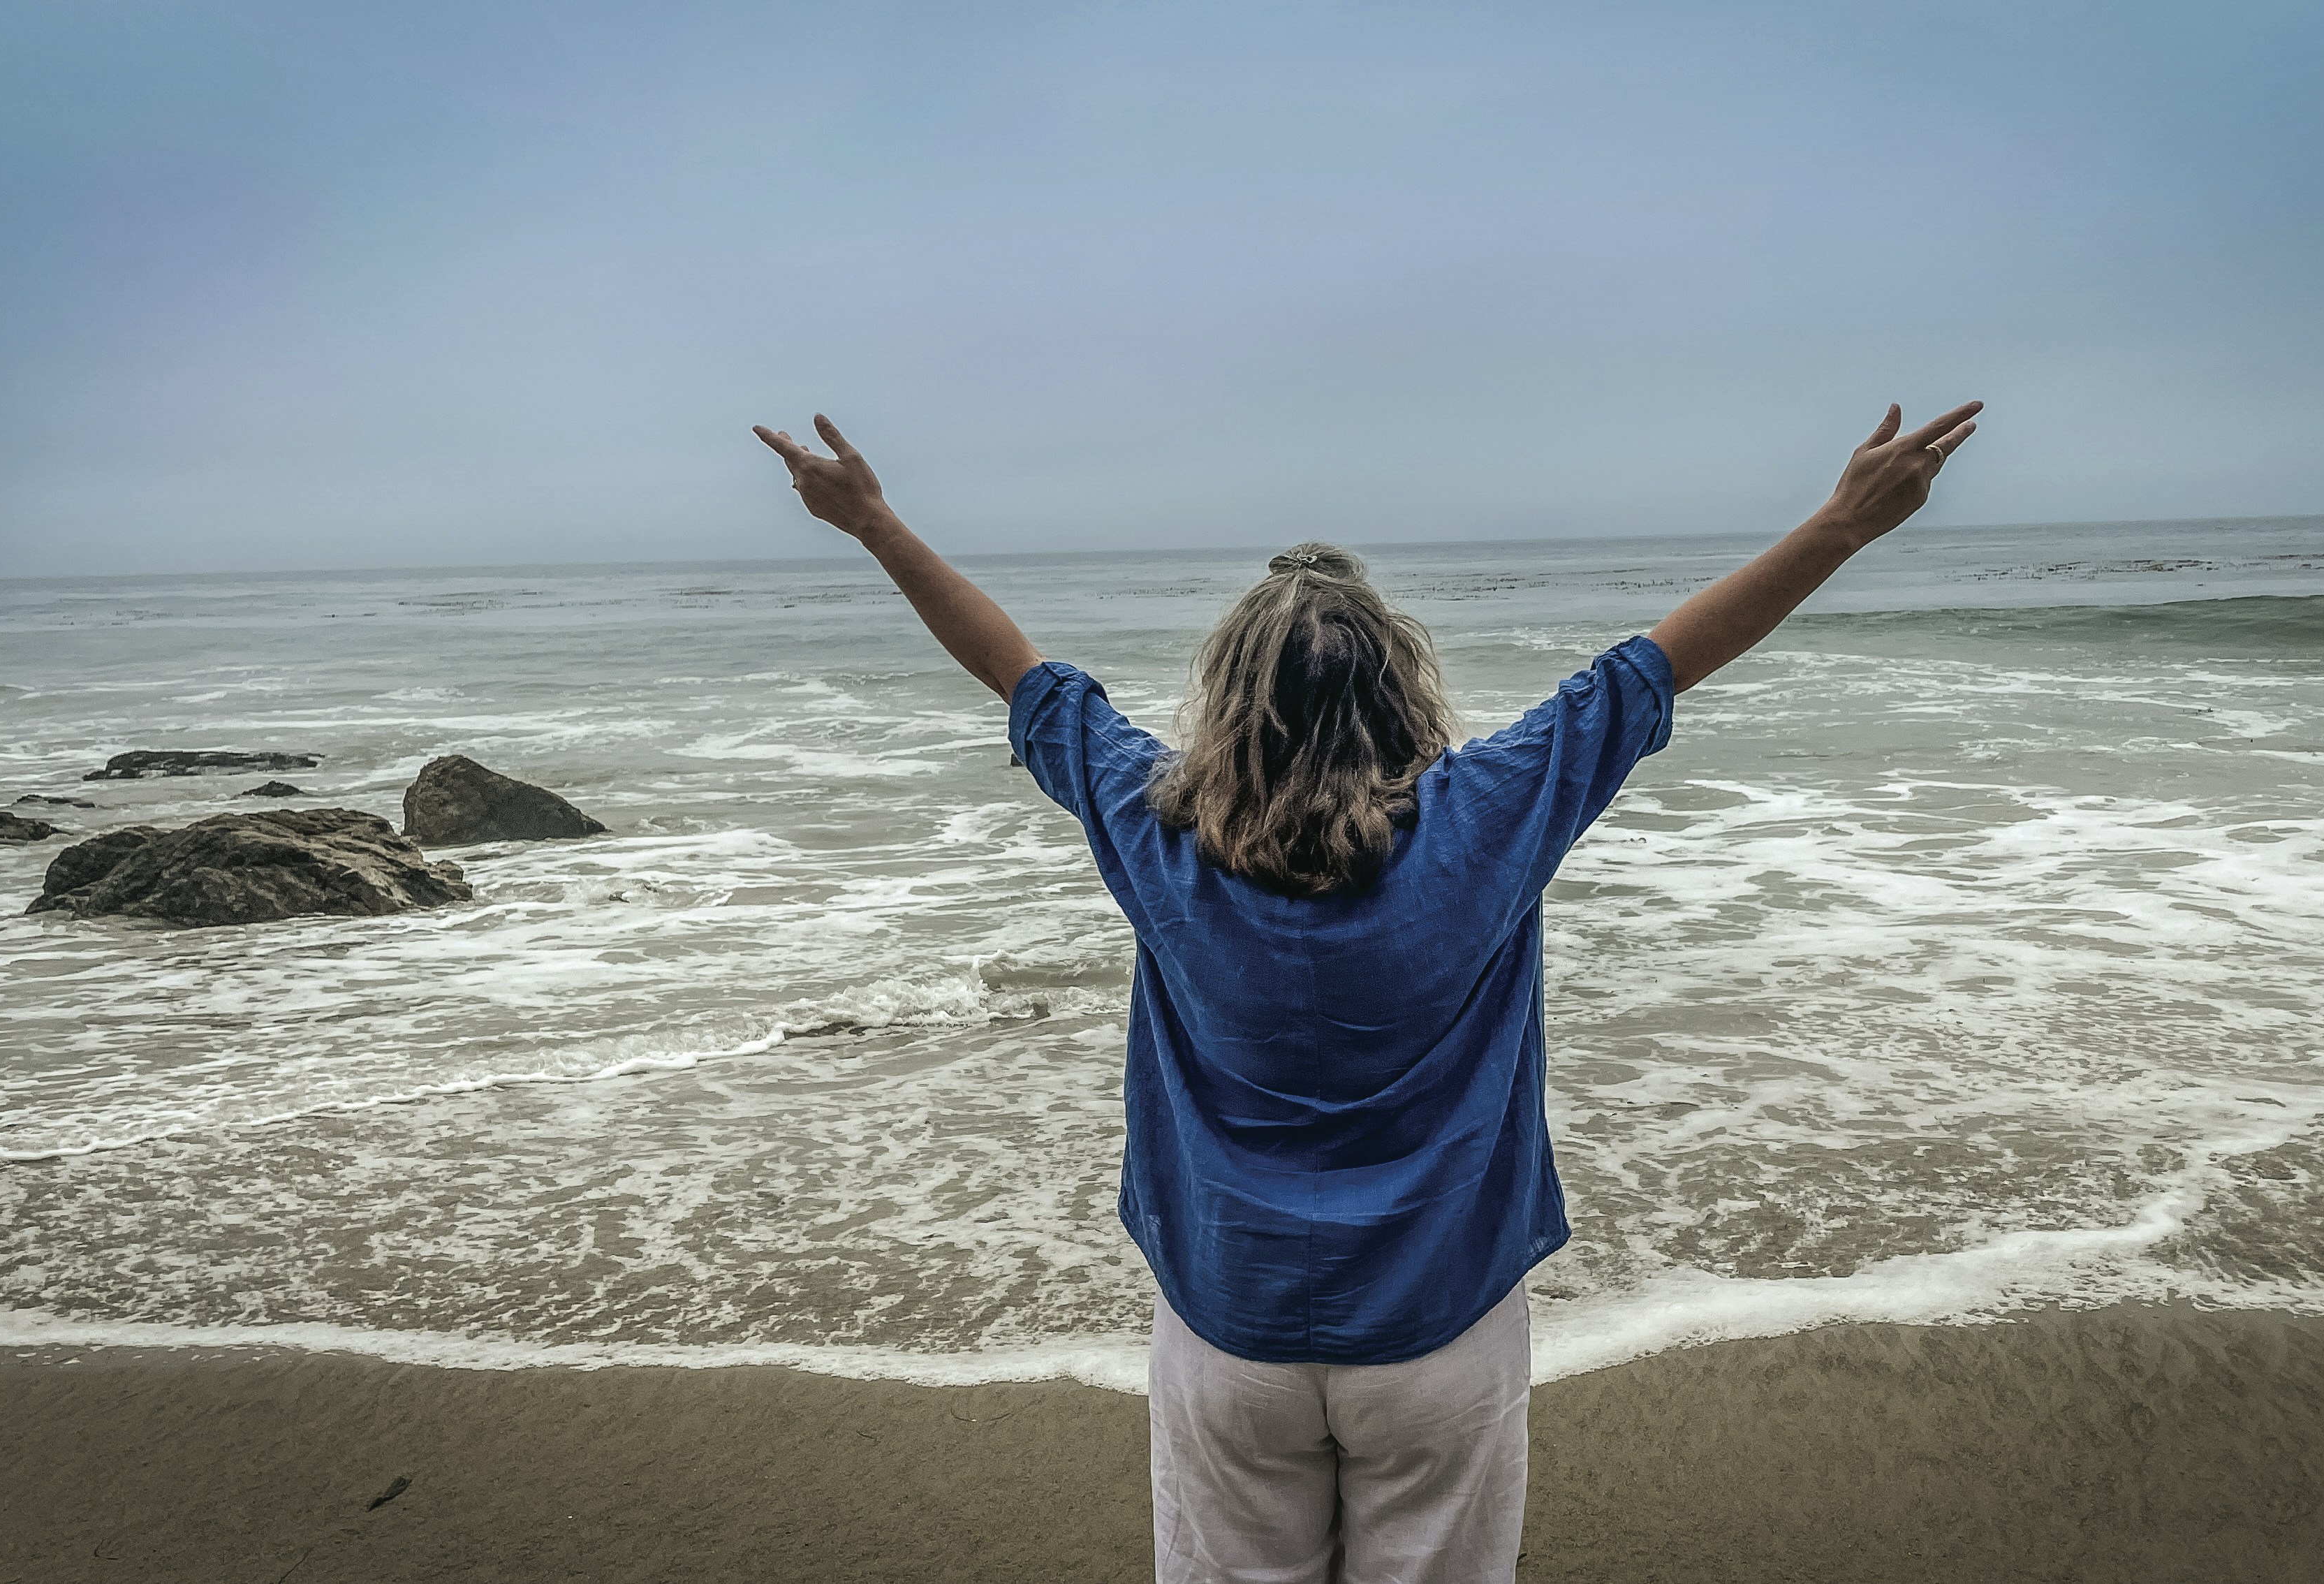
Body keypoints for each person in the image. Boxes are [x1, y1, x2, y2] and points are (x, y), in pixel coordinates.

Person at [753, 399, 1981, 1583]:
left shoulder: (1155, 820)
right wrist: (1843, 525)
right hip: (1440, 1330)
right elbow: (1650, 672)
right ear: (1401, 686)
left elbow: (1018, 674)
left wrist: (873, 522)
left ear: (1228, 696)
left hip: (1228, 1325)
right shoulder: (1488, 813)